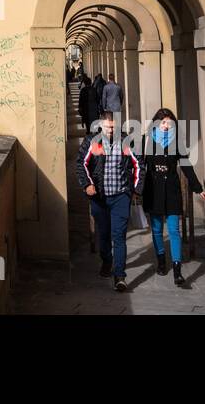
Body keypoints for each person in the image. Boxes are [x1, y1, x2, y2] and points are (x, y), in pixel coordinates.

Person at [77, 111, 143, 292]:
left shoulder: (126, 142)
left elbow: (139, 165)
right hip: (99, 197)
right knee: (104, 234)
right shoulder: (93, 142)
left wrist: (136, 190)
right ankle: (107, 260)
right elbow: (80, 164)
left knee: (119, 236)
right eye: (107, 126)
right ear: (101, 125)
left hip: (121, 196)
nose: (110, 130)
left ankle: (120, 276)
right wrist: (87, 185)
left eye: (113, 127)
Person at [142, 109, 205, 288]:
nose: (166, 126)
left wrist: (197, 188)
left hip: (171, 190)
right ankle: (162, 261)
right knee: (156, 230)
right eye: (163, 122)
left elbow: (186, 166)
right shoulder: (146, 140)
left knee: (174, 230)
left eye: (169, 123)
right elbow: (139, 164)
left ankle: (177, 271)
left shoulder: (177, 143)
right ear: (156, 123)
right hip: (153, 189)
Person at [77, 69, 100, 133]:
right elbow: (98, 99)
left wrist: (79, 107)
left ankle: (88, 131)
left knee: (87, 121)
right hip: (94, 108)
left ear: (85, 83)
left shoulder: (83, 90)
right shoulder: (94, 89)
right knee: (94, 121)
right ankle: (94, 133)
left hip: (86, 108)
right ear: (90, 82)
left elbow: (80, 100)